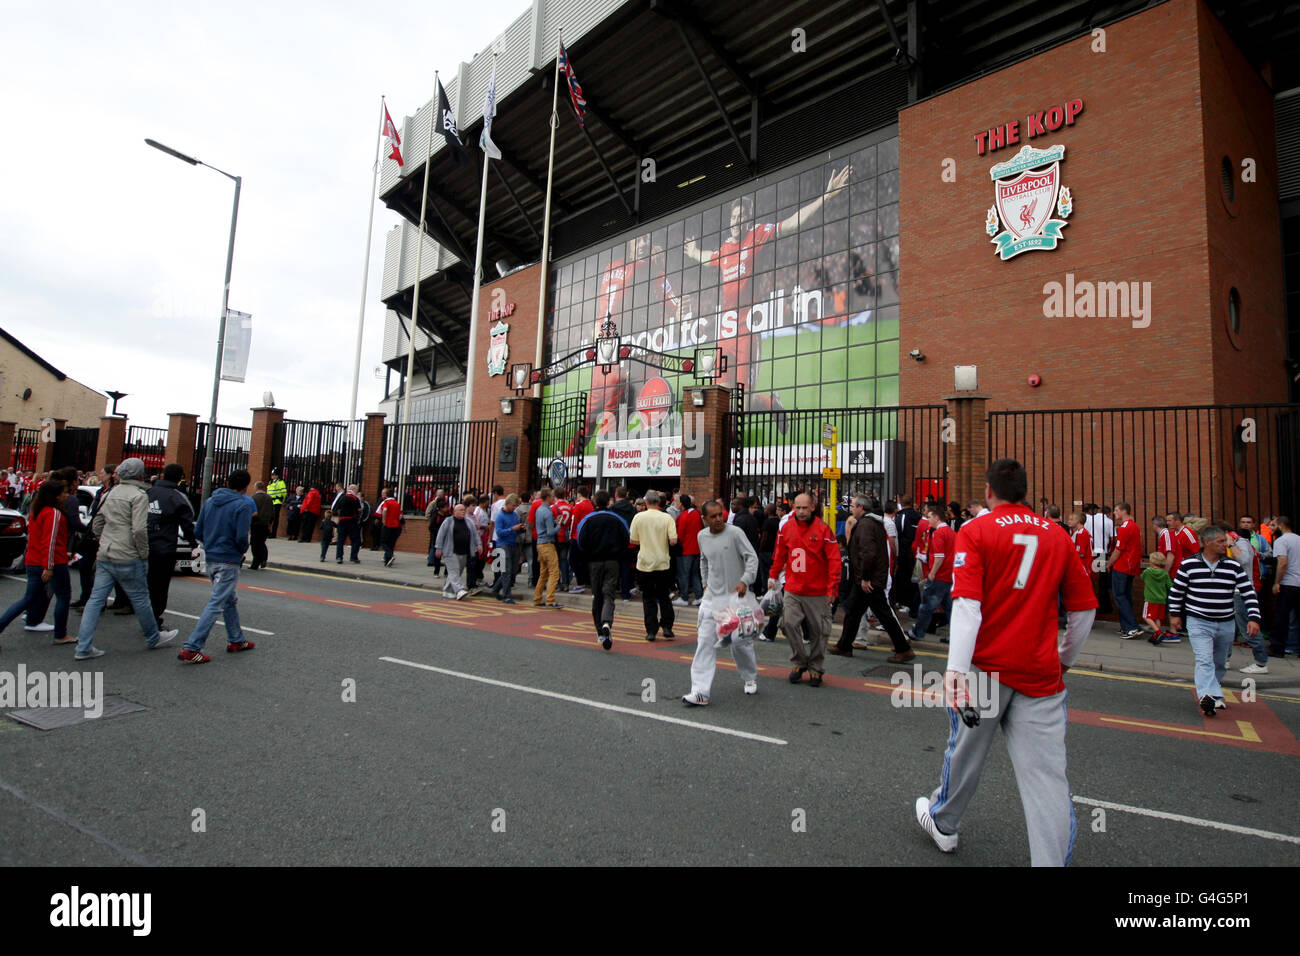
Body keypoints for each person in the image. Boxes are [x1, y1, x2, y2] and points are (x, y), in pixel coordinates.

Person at [914, 458, 1098, 866]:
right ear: (1025, 492)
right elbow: (1084, 612)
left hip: (986, 669)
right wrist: (1064, 660)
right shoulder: (1058, 534)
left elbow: (967, 607)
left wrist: (955, 671)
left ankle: (945, 824)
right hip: (1040, 672)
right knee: (1047, 781)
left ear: (987, 490)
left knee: (964, 754)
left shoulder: (976, 530)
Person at [71, 459, 179, 660]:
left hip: (106, 551)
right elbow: (139, 529)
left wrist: (103, 537)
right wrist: (143, 552)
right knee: (140, 597)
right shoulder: (139, 496)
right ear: (140, 475)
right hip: (128, 554)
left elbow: (98, 522)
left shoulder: (111, 493)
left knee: (95, 600)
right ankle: (152, 636)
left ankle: (83, 646)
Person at [1166, 525, 1261, 716]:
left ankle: (1212, 693)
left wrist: (1253, 618)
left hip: (1226, 622)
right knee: (1204, 659)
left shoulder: (1233, 566)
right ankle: (1207, 696)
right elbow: (1176, 592)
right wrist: (1174, 615)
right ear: (1207, 543)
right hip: (1198, 621)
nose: (1225, 544)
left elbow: (1248, 592)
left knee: (1219, 662)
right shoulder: (1189, 565)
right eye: (1221, 541)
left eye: (1225, 541)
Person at [683, 499, 761, 706]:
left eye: (721, 514)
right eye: (714, 516)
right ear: (705, 519)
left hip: (738, 599)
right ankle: (700, 691)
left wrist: (745, 581)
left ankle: (749, 676)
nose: (719, 519)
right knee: (704, 643)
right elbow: (703, 561)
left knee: (740, 642)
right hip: (712, 600)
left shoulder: (735, 533)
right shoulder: (702, 536)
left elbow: (752, 558)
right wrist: (706, 584)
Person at [177, 469, 258, 664]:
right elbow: (241, 536)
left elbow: (199, 530)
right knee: (217, 603)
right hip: (229, 559)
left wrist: (211, 543)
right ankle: (192, 647)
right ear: (246, 486)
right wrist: (241, 550)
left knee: (228, 599)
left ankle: (236, 639)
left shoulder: (211, 501)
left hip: (212, 557)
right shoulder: (242, 505)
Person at [768, 491, 840, 686]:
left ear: (812, 507)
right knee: (788, 623)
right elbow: (779, 554)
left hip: (817, 592)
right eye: (797, 508)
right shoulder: (786, 528)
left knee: (819, 631)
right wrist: (773, 576)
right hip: (793, 588)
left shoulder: (824, 530)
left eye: (804, 508)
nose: (800, 511)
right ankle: (800, 661)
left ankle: (816, 668)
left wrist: (832, 588)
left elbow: (834, 559)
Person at [830, 494, 910, 660]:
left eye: (852, 506)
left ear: (861, 508)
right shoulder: (871, 522)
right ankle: (844, 645)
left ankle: (903, 648)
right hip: (867, 578)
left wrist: (865, 578)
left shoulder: (865, 525)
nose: (850, 509)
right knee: (854, 611)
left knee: (882, 613)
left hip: (868, 580)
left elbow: (868, 553)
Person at [0, 479, 73, 651]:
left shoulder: (36, 510)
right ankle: (61, 634)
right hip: (51, 561)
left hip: (33, 559)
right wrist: (49, 565)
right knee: (63, 596)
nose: (66, 495)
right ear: (55, 496)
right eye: (63, 492)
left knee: (28, 599)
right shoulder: (53, 513)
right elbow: (50, 541)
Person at [575, 489, 629, 649]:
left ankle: (600, 631)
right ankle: (607, 622)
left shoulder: (588, 519)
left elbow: (580, 541)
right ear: (609, 502)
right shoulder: (617, 519)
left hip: (594, 562)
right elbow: (626, 539)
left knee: (597, 596)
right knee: (609, 594)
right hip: (612, 561)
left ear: (595, 502)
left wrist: (588, 555)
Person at [146, 463, 196, 630]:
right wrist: (194, 544)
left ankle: (144, 615)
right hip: (163, 547)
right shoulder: (177, 497)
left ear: (162, 475)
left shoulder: (148, 492)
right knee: (159, 586)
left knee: (145, 583)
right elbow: (188, 524)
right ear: (180, 477)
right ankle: (153, 620)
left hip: (142, 546)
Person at [628, 490, 678, 641]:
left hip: (644, 563)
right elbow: (673, 540)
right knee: (664, 596)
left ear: (646, 503)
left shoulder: (638, 517)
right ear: (659, 502)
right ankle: (667, 626)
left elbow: (633, 541)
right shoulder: (667, 518)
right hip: (663, 562)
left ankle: (651, 630)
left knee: (648, 597)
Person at [906, 502, 956, 645]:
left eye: (929, 517)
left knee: (927, 605)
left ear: (936, 517)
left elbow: (939, 556)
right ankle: (953, 635)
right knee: (949, 608)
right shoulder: (951, 532)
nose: (928, 520)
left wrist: (932, 573)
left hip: (940, 574)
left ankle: (918, 632)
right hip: (949, 574)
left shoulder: (939, 533)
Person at [1106, 502, 1143, 637]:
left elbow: (1118, 550)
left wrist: (1109, 563)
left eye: (1116, 510)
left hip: (1122, 566)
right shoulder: (1135, 526)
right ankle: (1126, 626)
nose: (1114, 513)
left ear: (1123, 511)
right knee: (1126, 597)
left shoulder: (1124, 528)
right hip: (1131, 566)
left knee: (1120, 596)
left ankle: (1132, 627)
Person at [1267, 515, 1300, 658]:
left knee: (1281, 617)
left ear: (1281, 525)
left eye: (1273, 525)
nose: (1271, 529)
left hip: (1288, 583)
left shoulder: (1281, 541)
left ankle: (1277, 648)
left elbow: (1283, 563)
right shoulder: (1298, 539)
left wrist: (1277, 582)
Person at [434, 502, 474, 600]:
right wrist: (438, 548)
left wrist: (479, 545)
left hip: (463, 551)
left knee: (457, 572)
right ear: (455, 512)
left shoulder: (468, 521)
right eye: (461, 510)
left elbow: (474, 534)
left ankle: (447, 591)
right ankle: (459, 590)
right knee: (454, 571)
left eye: (464, 510)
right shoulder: (448, 521)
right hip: (450, 551)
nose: (463, 512)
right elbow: (440, 535)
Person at [488, 494, 523, 604]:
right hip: (503, 545)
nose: (514, 508)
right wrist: (513, 529)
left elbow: (515, 531)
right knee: (506, 571)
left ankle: (495, 588)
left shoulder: (514, 515)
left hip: (513, 544)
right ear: (507, 504)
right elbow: (499, 533)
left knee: (512, 571)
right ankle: (507, 596)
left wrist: (521, 529)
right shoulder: (500, 516)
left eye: (516, 506)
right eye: (513, 505)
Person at [532, 488, 561, 607]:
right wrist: (558, 526)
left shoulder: (539, 510)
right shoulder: (548, 512)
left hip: (539, 543)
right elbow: (550, 532)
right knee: (554, 572)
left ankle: (537, 598)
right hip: (548, 544)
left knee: (543, 573)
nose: (553, 498)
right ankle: (550, 599)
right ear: (548, 497)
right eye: (552, 496)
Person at [674, 494, 704, 606]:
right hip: (697, 549)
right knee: (695, 574)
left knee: (683, 574)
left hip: (685, 550)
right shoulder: (696, 513)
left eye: (677, 502)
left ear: (681, 504)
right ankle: (699, 596)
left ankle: (684, 597)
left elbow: (679, 535)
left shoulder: (683, 516)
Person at [1141, 551, 1176, 644]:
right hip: (1161, 600)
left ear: (1152, 561)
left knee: (1146, 616)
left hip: (1150, 599)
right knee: (1157, 618)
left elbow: (1142, 577)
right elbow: (1170, 585)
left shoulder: (1147, 572)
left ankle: (1158, 632)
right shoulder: (1165, 574)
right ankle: (1156, 635)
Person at [567, 486, 593, 593]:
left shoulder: (578, 506)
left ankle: (580, 583)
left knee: (573, 560)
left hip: (576, 536)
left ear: (579, 494)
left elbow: (574, 522)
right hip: (587, 537)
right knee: (583, 560)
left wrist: (570, 535)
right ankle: (586, 581)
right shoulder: (591, 506)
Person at [334, 483, 363, 564]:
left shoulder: (342, 498)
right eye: (356, 489)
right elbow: (359, 509)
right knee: (356, 540)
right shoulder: (355, 498)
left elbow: (336, 509)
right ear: (353, 489)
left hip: (342, 521)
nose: (357, 491)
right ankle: (353, 557)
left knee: (341, 540)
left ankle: (339, 557)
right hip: (352, 521)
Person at [248, 481, 274, 570]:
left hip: (256, 524)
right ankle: (264, 559)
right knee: (262, 543)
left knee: (255, 544)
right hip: (265, 524)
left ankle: (255, 563)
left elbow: (251, 511)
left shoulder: (254, 498)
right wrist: (270, 524)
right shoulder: (269, 498)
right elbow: (272, 512)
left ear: (256, 487)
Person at [376, 486, 403, 567]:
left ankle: (390, 555)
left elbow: (384, 510)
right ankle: (388, 561)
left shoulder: (386, 503)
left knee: (383, 542)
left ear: (386, 495)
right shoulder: (397, 503)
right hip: (396, 526)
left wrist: (384, 520)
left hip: (388, 525)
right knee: (391, 543)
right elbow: (400, 516)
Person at [266, 470, 288, 537]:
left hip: (277, 502)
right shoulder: (270, 482)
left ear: (277, 476)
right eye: (272, 475)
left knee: (275, 518)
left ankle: (273, 533)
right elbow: (268, 492)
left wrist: (282, 500)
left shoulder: (281, 482)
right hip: (270, 502)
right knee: (269, 518)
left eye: (274, 475)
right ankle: (268, 532)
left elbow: (284, 492)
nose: (272, 476)